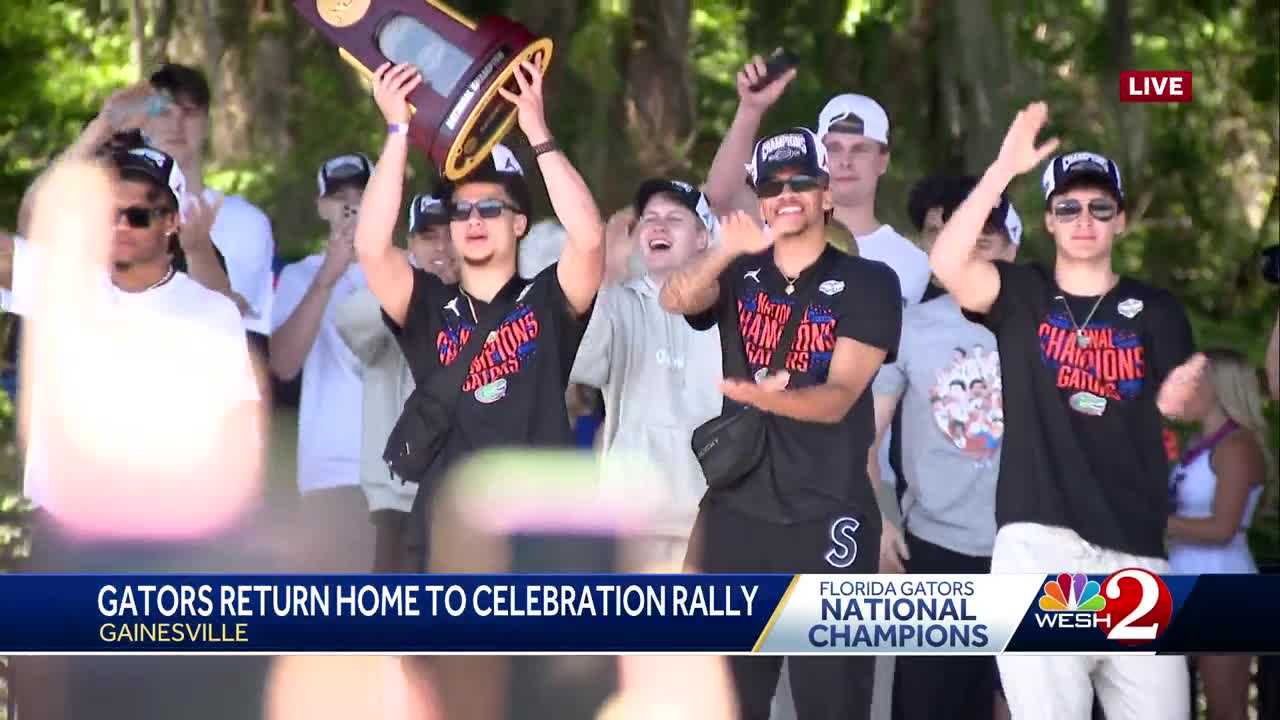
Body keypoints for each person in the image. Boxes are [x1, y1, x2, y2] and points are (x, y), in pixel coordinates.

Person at [930, 101, 1206, 720]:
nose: (1085, 218)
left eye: (1100, 207)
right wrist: (1003, 168)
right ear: (1050, 221)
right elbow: (947, 261)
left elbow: (1181, 403)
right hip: (1040, 545)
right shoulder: (1022, 292)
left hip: (1136, 553)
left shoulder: (1156, 310)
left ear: (1121, 220)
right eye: (1068, 207)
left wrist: (1184, 396)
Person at [661, 126, 901, 720]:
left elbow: (842, 396)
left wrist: (768, 399)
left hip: (828, 517)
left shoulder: (872, 282)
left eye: (801, 181)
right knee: (728, 700)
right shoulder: (740, 272)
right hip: (738, 515)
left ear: (826, 193)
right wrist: (723, 247)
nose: (786, 193)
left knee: (832, 704)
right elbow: (676, 297)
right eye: (772, 185)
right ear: (759, 197)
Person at [354, 61, 604, 570]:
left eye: (490, 209)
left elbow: (590, 238)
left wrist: (536, 129)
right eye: (461, 209)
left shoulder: (547, 301)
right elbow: (371, 246)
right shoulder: (426, 306)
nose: (472, 220)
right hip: (446, 538)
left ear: (519, 224)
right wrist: (398, 129)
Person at [869, 177, 1022, 720]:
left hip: (1031, 549)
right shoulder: (909, 327)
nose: (978, 245)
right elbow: (867, 435)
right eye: (966, 235)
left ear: (1013, 246)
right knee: (932, 706)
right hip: (935, 551)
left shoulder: (1049, 324)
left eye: (991, 235)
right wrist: (881, 519)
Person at [569, 178, 723, 569]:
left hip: (709, 518)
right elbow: (579, 362)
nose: (658, 226)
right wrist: (607, 274)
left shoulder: (732, 307)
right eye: (649, 219)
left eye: (674, 218)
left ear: (704, 238)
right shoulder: (618, 302)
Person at [702, 56, 929, 306]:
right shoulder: (774, 224)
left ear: (882, 160)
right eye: (833, 148)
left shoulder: (913, 263)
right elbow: (720, 197)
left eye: (860, 149)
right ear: (818, 157)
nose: (845, 161)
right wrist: (750, 109)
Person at [335, 190, 458, 572]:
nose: (442, 247)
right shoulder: (389, 297)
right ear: (410, 247)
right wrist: (414, 289)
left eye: (451, 233)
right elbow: (350, 323)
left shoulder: (492, 300)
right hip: (398, 504)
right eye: (428, 236)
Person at [269, 152, 374, 571]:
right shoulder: (300, 275)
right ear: (321, 207)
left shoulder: (414, 269)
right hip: (331, 473)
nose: (350, 206)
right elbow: (283, 364)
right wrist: (327, 277)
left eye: (360, 195)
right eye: (339, 197)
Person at [1167, 348, 1271, 720]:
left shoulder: (1237, 447)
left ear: (1217, 387)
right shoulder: (1194, 446)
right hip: (1180, 578)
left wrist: (1157, 523)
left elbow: (1222, 529)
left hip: (1223, 583)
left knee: (1226, 709)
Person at [143, 63, 277, 341]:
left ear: (207, 123)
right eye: (164, 112)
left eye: (189, 112)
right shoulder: (116, 215)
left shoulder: (246, 221)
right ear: (144, 123)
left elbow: (224, 314)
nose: (176, 124)